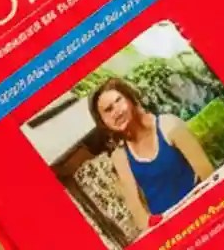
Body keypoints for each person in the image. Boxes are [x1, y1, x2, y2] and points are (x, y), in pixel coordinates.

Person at [88, 78, 215, 231]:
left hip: (204, 212)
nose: (116, 112)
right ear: (103, 122)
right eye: (108, 110)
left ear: (130, 98)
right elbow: (139, 214)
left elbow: (209, 177)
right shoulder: (120, 156)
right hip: (169, 229)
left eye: (118, 101)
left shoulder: (169, 125)